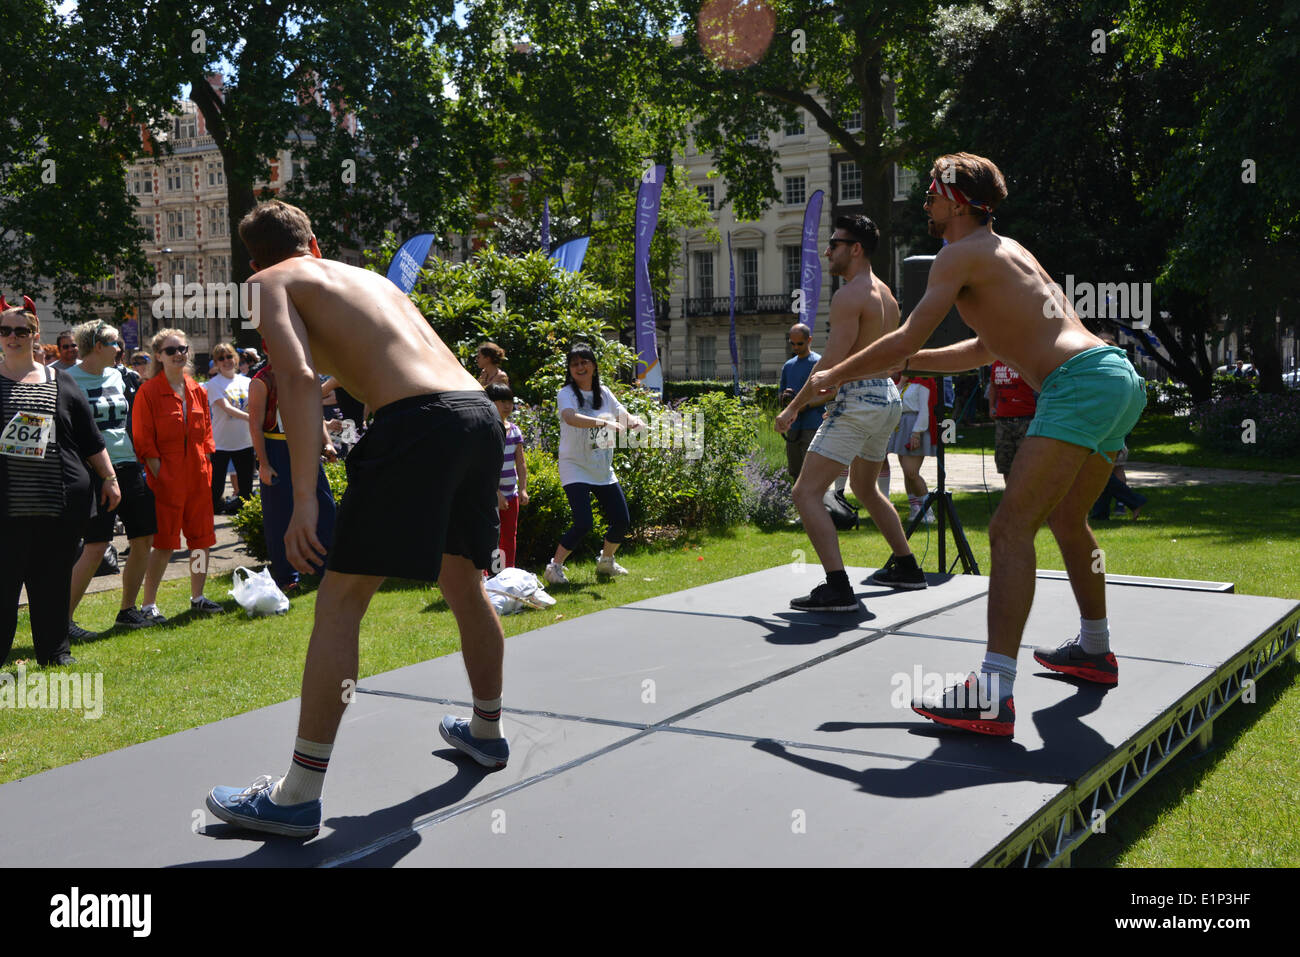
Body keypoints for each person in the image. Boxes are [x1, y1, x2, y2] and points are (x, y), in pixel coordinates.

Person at [807, 152, 1147, 736]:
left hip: (1078, 384)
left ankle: (992, 691)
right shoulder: (1005, 251)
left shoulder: (956, 255)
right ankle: (1095, 649)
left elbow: (907, 333)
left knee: (1009, 529)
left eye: (933, 193)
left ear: (957, 200)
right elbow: (986, 348)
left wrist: (832, 375)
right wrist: (910, 363)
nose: (926, 203)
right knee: (1069, 522)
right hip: (1115, 378)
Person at [205, 201, 511, 837]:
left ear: (254, 262)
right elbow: (362, 365)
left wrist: (307, 500)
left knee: (340, 600)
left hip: (418, 422)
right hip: (475, 414)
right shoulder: (366, 278)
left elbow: (293, 373)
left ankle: (296, 795)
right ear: (314, 242)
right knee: (463, 582)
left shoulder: (268, 283)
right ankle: (487, 730)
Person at [775, 215, 929, 607]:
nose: (827, 251)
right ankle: (907, 566)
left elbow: (830, 363)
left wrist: (793, 408)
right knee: (863, 487)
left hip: (861, 399)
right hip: (887, 398)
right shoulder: (888, 296)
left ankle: (837, 586)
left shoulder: (849, 295)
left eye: (834, 244)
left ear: (855, 248)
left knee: (805, 492)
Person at [1, 297, 120, 667]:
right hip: (6, 507)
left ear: (35, 335)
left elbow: (89, 439)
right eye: (5, 330)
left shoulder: (61, 381)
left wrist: (109, 477)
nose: (13, 337)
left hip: (57, 503)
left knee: (51, 583)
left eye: (21, 330)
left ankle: (54, 653)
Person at [64, 320, 159, 636]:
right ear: (97, 346)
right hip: (92, 472)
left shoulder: (119, 376)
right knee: (96, 544)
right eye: (115, 343)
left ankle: (127, 611)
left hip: (128, 465)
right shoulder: (66, 380)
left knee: (144, 537)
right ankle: (61, 621)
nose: (120, 349)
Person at [131, 328, 224, 621]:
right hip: (165, 478)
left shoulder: (198, 389)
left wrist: (206, 467)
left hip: (198, 475)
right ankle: (149, 604)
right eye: (171, 350)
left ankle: (197, 597)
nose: (179, 354)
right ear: (158, 356)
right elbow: (143, 441)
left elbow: (207, 435)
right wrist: (162, 476)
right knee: (164, 544)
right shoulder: (148, 391)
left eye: (182, 349)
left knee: (201, 540)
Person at [543, 343, 646, 586]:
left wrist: (634, 421)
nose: (580, 367)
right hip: (574, 465)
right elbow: (570, 417)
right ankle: (554, 567)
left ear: (593, 365)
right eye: (574, 364)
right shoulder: (566, 393)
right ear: (570, 369)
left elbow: (622, 413)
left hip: (601, 466)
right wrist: (603, 423)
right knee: (583, 522)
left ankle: (606, 562)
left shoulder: (605, 392)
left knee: (621, 520)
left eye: (584, 362)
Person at [247, 355, 337, 590]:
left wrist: (326, 443)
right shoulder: (261, 381)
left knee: (325, 507)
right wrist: (263, 463)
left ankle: (326, 567)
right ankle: (288, 576)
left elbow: (316, 414)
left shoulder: (307, 376)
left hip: (305, 447)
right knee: (280, 514)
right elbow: (255, 424)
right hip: (277, 448)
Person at [203, 342, 255, 515]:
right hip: (221, 444)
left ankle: (246, 525)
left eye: (229, 356)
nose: (226, 360)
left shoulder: (248, 382)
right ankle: (207, 529)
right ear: (216, 363)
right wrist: (252, 418)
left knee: (246, 489)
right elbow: (226, 407)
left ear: (236, 358)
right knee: (215, 489)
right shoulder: (213, 384)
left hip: (245, 442)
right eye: (221, 358)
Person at [778, 323, 831, 480]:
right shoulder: (788, 366)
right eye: (792, 343)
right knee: (795, 471)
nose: (795, 347)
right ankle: (799, 504)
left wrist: (804, 405)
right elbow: (781, 393)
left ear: (809, 340)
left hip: (813, 425)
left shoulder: (818, 363)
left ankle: (818, 503)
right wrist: (785, 400)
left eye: (799, 343)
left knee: (812, 473)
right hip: (793, 426)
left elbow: (828, 394)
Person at [886, 370, 937, 525]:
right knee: (906, 473)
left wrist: (916, 433)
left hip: (915, 426)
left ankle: (927, 510)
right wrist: (901, 381)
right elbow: (892, 399)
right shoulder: (903, 382)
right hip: (902, 425)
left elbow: (924, 410)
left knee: (911, 471)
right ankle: (914, 508)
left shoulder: (924, 380)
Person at [487, 382, 528, 570]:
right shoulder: (486, 431)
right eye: (501, 401)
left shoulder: (515, 430)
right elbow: (482, 467)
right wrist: (496, 493)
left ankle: (507, 572)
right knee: (491, 535)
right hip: (490, 494)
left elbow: (520, 462)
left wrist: (523, 489)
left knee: (509, 535)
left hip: (511, 494)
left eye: (510, 401)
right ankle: (491, 573)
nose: (507, 405)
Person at [987, 359, 1037, 477]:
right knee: (1005, 464)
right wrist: (991, 407)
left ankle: (1026, 494)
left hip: (1026, 419)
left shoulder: (1025, 360)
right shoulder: (997, 363)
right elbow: (993, 386)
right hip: (1003, 420)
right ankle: (1010, 493)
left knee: (1026, 463)